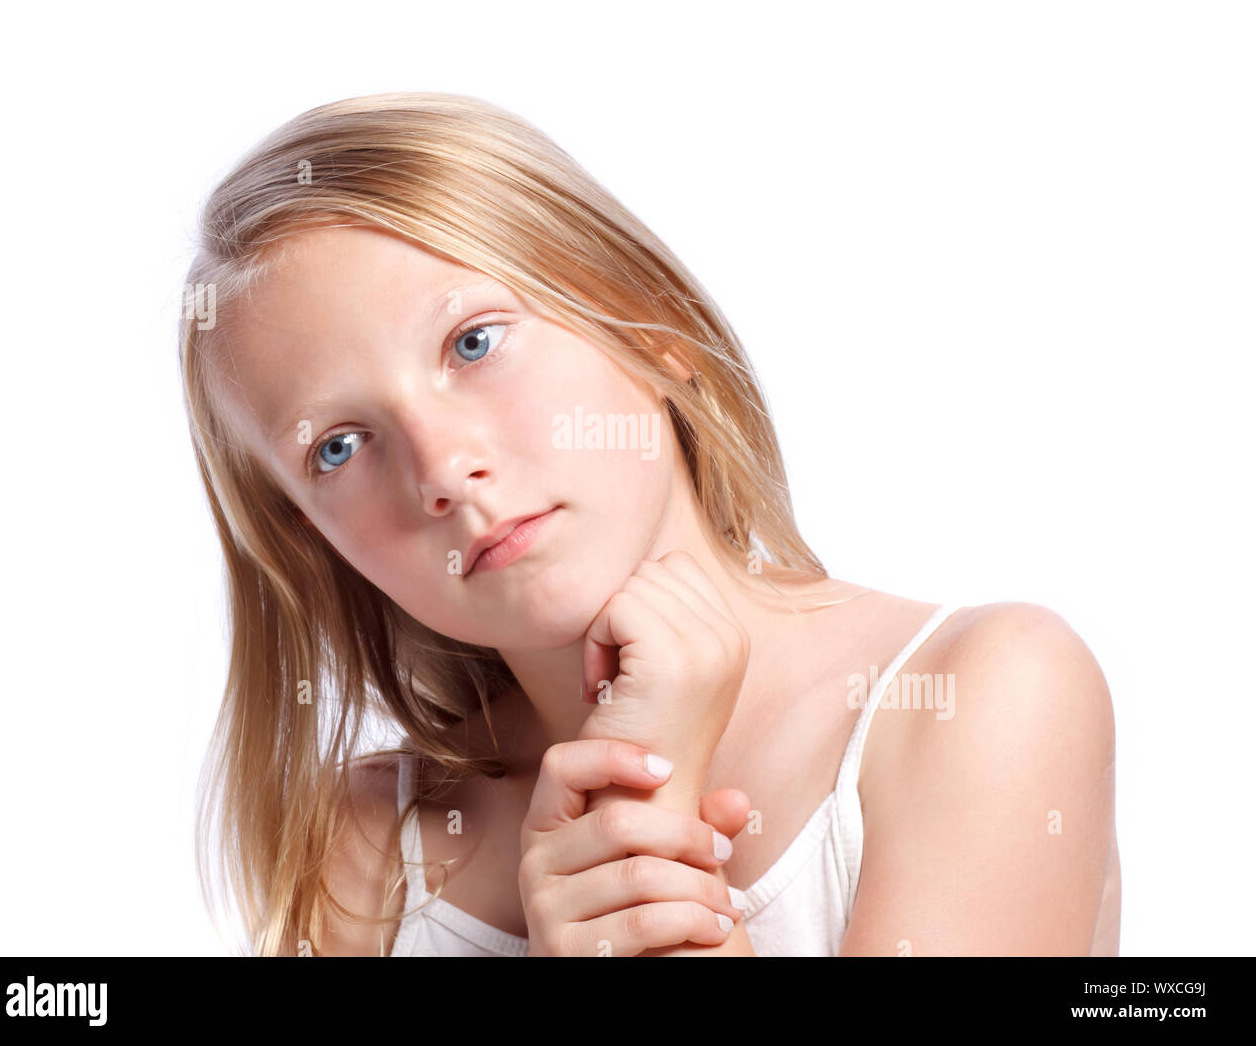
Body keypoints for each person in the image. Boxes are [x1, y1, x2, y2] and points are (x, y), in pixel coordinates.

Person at [180, 92, 1119, 957]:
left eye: (474, 343)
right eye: (339, 446)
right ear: (313, 541)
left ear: (647, 323)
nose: (441, 469)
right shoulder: (366, 856)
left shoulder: (982, 693)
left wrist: (642, 819)